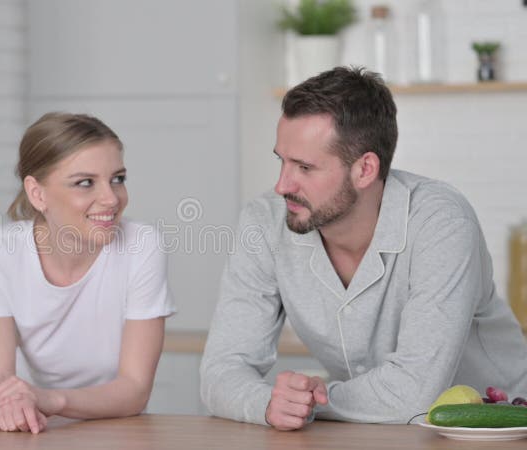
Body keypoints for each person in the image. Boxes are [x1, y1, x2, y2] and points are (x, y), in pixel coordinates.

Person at [200, 66, 527, 430]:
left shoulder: (442, 223)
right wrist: (270, 404)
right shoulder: (264, 223)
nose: (281, 185)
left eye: (305, 167)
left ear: (365, 169)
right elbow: (221, 371)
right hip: (372, 430)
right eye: (282, 160)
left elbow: (413, 392)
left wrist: (312, 401)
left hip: (499, 427)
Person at [0, 112, 175, 434]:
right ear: (37, 194)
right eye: (85, 183)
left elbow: (135, 390)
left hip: (117, 430)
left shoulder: (142, 245)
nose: (111, 198)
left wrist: (49, 400)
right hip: (32, 429)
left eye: (118, 179)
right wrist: (8, 401)